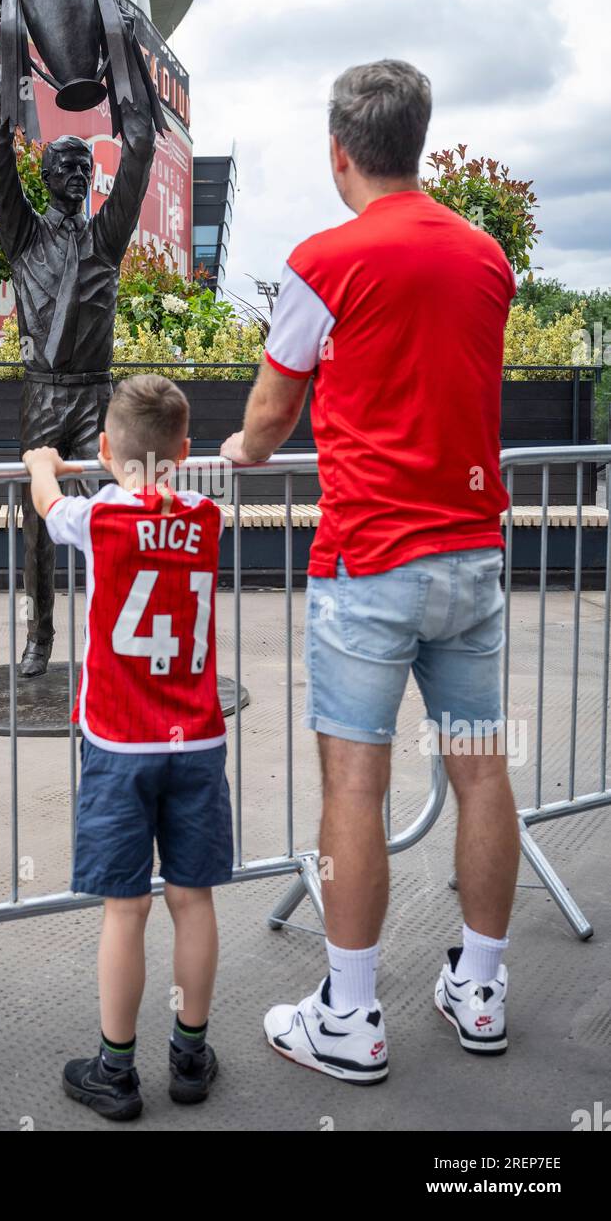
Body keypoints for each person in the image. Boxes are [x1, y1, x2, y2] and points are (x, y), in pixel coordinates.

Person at [221, 59, 518, 1084]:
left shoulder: (321, 263)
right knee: (479, 769)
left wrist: (244, 451)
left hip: (369, 559)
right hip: (472, 556)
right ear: (419, 145)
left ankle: (349, 1014)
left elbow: (268, 417)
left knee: (354, 780)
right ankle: (477, 987)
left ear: (338, 151)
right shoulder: (485, 260)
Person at [25, 374, 233, 1120]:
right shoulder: (207, 517)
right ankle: (189, 1051)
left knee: (126, 908)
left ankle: (115, 1069)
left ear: (107, 449)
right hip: (198, 740)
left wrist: (41, 465)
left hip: (120, 741)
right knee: (192, 896)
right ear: (184, 451)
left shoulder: (97, 516)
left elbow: (50, 505)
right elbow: (176, 493)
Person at [0, 2, 156, 678]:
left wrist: (116, 36)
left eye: (87, 164)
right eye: (67, 165)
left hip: (95, 396)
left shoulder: (108, 239)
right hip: (43, 398)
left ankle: (114, 634)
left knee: (116, 515)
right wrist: (8, 38)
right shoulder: (22, 237)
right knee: (39, 531)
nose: (81, 173)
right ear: (48, 178)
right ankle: (40, 634)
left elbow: (139, 140)